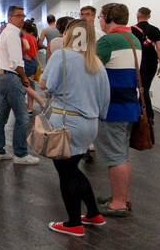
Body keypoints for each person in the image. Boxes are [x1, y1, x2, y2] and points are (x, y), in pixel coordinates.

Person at [42, 20, 111, 237]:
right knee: (73, 168)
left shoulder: (60, 56)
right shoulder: (96, 63)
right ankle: (92, 214)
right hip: (89, 124)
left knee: (66, 172)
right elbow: (105, 99)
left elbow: (48, 85)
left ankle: (74, 223)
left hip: (65, 122)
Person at [95, 3, 142, 216]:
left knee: (116, 156)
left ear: (107, 18)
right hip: (130, 104)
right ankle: (121, 195)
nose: (99, 22)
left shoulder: (108, 41)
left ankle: (119, 203)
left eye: (100, 17)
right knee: (122, 154)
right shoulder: (134, 39)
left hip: (113, 106)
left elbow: (91, 68)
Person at [0, 5, 39, 164]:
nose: (22, 18)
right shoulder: (12, 34)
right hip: (11, 78)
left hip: (1, 77)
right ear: (10, 17)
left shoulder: (6, 33)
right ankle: (21, 154)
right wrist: (24, 78)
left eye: (23, 15)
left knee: (1, 116)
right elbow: (17, 62)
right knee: (23, 117)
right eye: (18, 16)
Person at [131, 7, 160, 125]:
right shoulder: (155, 30)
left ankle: (146, 115)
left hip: (138, 63)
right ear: (149, 16)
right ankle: (146, 115)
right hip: (152, 63)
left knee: (142, 89)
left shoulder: (132, 30)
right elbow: (159, 49)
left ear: (137, 16)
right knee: (145, 88)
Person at [21, 19, 42, 114]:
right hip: (34, 62)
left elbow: (27, 48)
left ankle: (41, 102)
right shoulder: (33, 37)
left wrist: (23, 54)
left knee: (25, 85)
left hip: (27, 62)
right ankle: (30, 108)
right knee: (31, 85)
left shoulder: (24, 38)